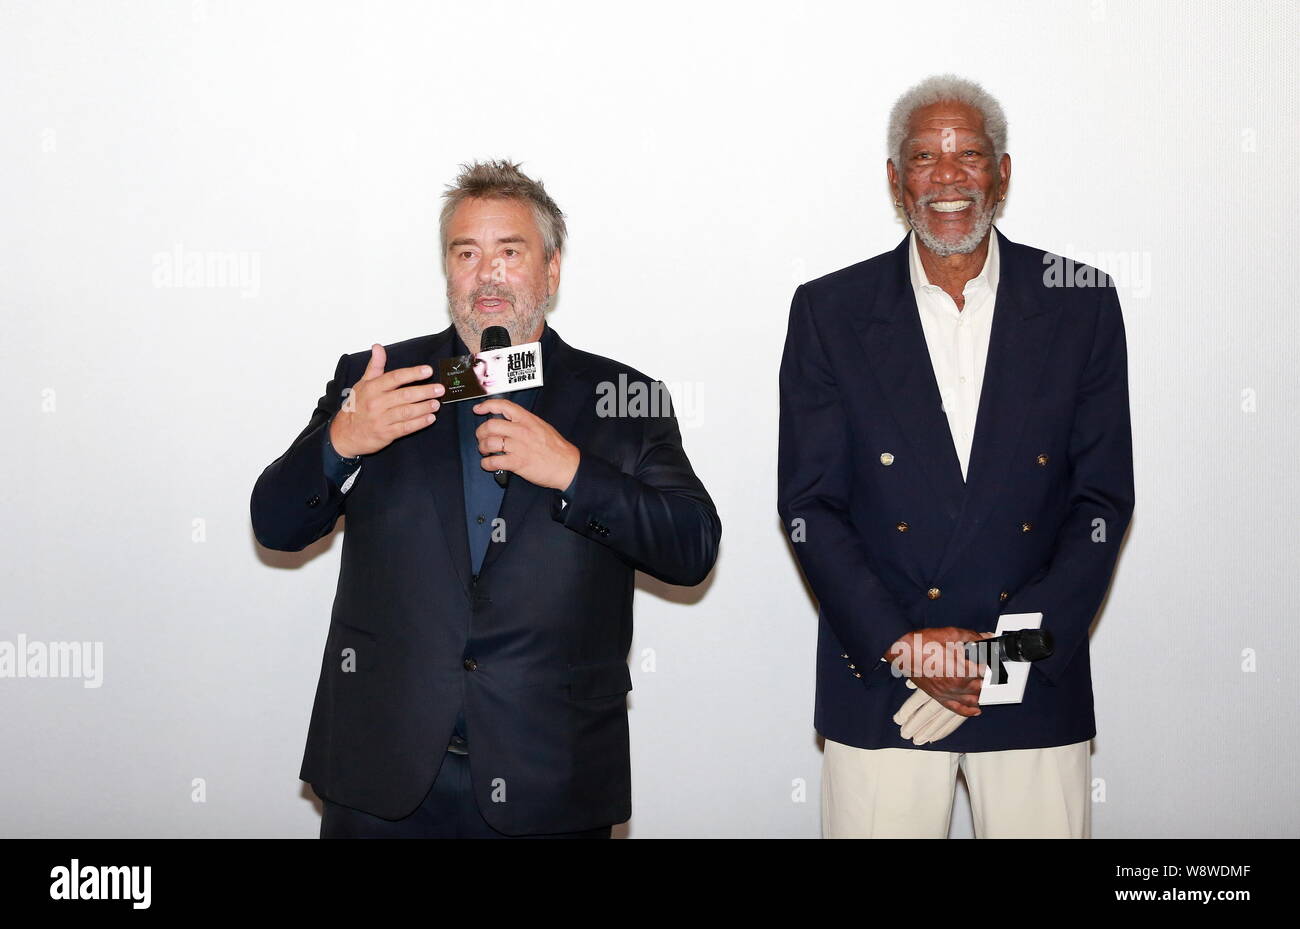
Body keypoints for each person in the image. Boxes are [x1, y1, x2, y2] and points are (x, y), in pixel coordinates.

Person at [251, 159, 720, 838]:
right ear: (448, 271)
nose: (487, 273)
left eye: (510, 252)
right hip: (382, 775)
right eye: (466, 253)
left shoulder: (624, 399)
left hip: (551, 778)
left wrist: (572, 471)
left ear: (551, 272)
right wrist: (343, 438)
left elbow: (693, 546)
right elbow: (275, 523)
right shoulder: (380, 379)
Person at [777, 75, 1134, 838]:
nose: (948, 178)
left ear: (1003, 174)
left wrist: (999, 655)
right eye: (925, 158)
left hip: (1034, 679)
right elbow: (810, 506)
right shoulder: (829, 311)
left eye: (970, 155)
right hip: (881, 682)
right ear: (895, 180)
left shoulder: (1082, 302)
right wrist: (908, 647)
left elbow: (1101, 503)